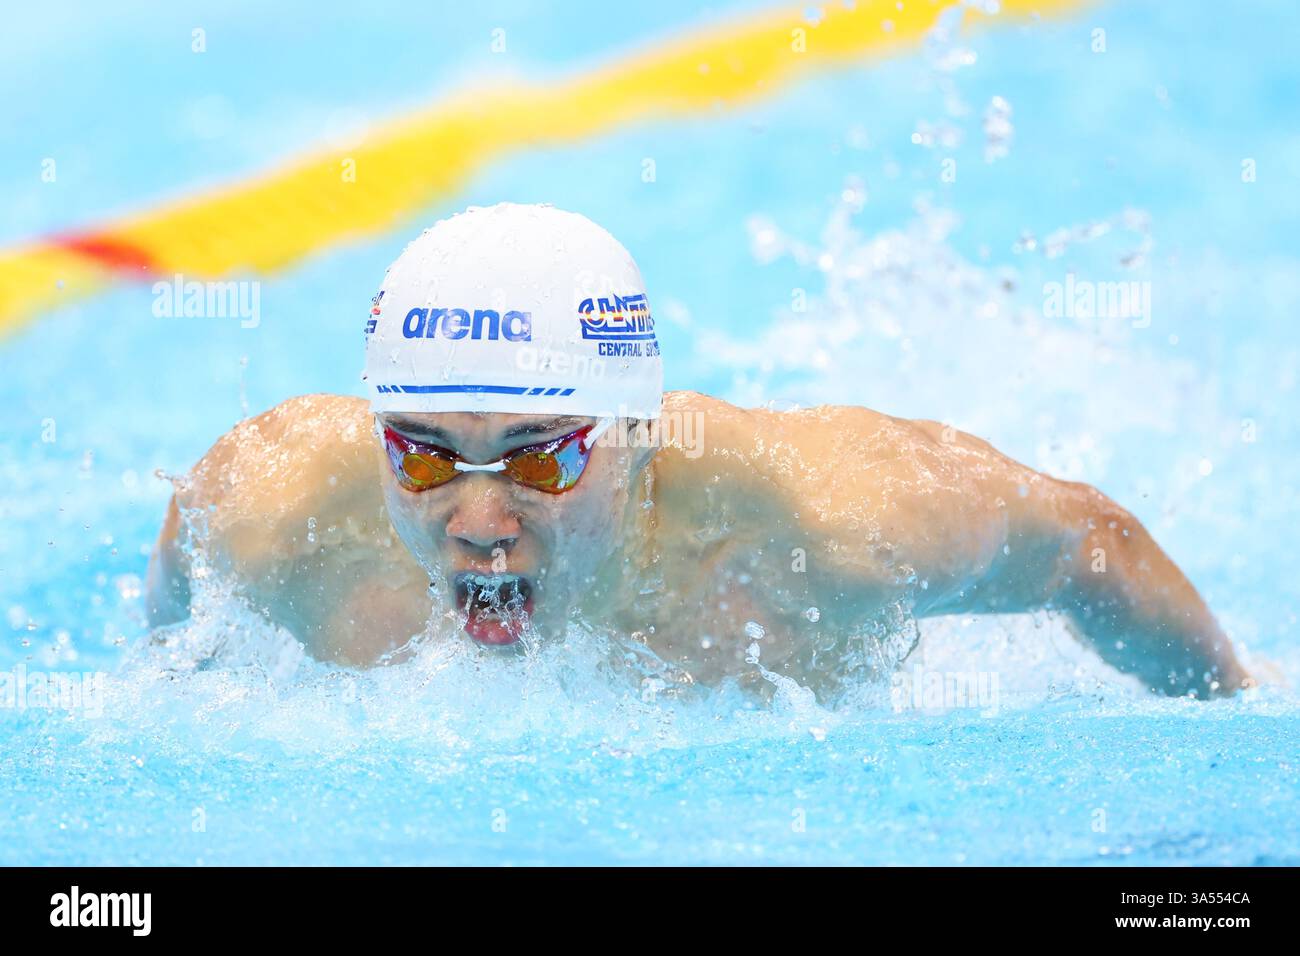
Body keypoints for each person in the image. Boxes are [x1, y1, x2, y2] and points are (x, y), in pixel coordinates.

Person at [145, 202, 1253, 699]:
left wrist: (1236, 698)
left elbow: (1081, 542)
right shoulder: (271, 505)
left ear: (637, 433)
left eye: (542, 459)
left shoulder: (822, 526)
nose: (478, 523)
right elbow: (177, 629)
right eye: (426, 458)